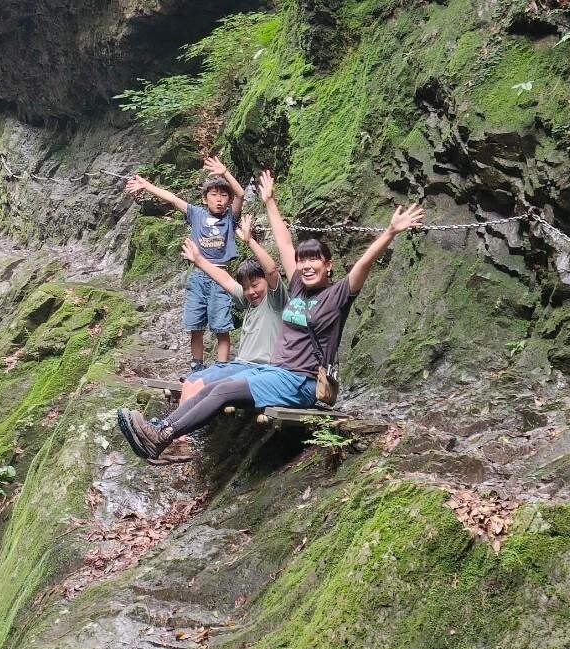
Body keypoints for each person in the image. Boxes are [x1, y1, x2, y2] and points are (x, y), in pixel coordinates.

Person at [117, 170, 425, 461]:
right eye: (303, 261)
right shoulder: (299, 287)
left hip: (301, 382)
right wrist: (269, 201)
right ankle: (161, 430)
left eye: (315, 261)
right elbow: (284, 242)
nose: (307, 266)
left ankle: (162, 435)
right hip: (274, 373)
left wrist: (390, 232)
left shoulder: (337, 296)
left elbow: (363, 265)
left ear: (328, 265)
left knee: (223, 390)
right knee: (213, 387)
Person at [126, 157, 246, 374]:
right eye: (214, 195)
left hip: (222, 278)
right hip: (198, 277)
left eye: (223, 195)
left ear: (228, 200)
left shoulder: (230, 218)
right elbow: (172, 199)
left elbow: (241, 194)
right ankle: (196, 367)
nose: (219, 200)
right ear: (204, 199)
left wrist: (225, 173)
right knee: (195, 325)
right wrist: (146, 186)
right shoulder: (196, 214)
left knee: (221, 326)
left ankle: (221, 369)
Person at [178, 213, 288, 403]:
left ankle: (175, 423)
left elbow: (271, 270)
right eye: (246, 287)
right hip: (239, 366)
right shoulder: (248, 301)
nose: (251, 291)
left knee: (198, 386)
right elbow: (226, 280)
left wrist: (250, 241)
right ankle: (176, 424)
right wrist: (199, 260)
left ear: (266, 282)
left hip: (259, 369)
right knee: (191, 381)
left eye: (255, 285)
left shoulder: (275, 301)